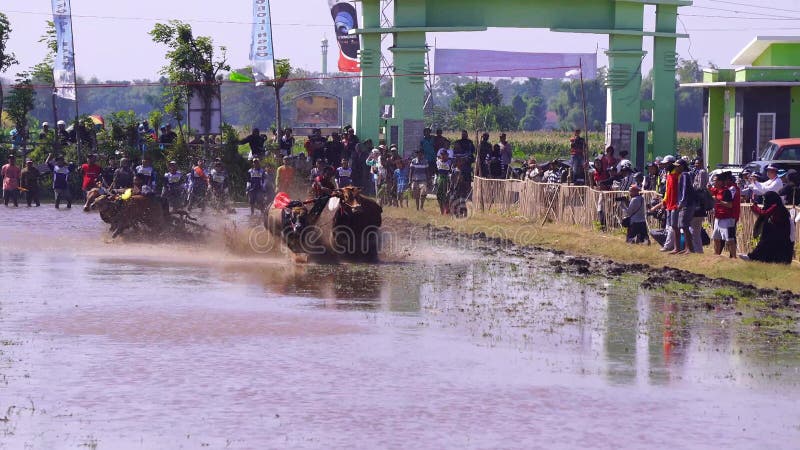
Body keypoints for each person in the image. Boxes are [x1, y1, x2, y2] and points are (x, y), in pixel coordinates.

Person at [744, 191, 793, 264]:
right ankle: (756, 258)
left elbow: (765, 213)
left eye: (765, 199)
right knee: (766, 244)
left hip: (781, 230)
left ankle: (752, 257)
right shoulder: (775, 205)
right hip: (777, 229)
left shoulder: (775, 205)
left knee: (767, 243)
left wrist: (754, 207)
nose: (764, 201)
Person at [710, 173, 737, 258]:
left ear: (721, 182)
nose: (714, 182)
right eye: (713, 180)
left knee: (730, 240)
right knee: (716, 238)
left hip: (727, 219)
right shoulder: (716, 190)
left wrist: (718, 201)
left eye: (715, 180)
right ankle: (717, 256)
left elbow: (730, 205)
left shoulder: (726, 191)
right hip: (718, 218)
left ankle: (734, 257)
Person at [674, 158, 697, 254]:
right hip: (686, 203)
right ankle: (687, 248)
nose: (675, 168)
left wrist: (681, 203)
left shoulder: (684, 175)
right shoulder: (683, 175)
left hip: (687, 204)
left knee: (684, 225)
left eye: (677, 166)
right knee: (683, 226)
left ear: (682, 166)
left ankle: (690, 249)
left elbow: (684, 190)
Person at [434, 150, 452, 215]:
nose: (443, 156)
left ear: (447, 155)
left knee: (446, 196)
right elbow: (436, 172)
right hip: (439, 180)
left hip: (447, 180)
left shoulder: (450, 162)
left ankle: (446, 210)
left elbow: (451, 172)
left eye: (444, 154)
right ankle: (441, 210)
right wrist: (435, 181)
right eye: (441, 155)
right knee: (439, 196)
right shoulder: (437, 162)